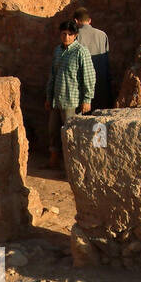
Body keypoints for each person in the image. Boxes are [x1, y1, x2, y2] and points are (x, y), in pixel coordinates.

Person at [45, 21, 95, 170]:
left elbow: (89, 77)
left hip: (72, 101)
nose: (66, 37)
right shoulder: (58, 51)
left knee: (71, 134)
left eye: (69, 34)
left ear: (75, 36)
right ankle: (54, 161)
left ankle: (72, 169)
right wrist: (48, 97)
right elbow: (52, 76)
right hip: (56, 100)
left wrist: (87, 99)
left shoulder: (81, 52)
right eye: (63, 33)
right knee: (53, 131)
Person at [73, 6, 112, 108]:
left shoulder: (75, 36)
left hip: (82, 87)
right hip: (101, 83)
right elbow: (107, 60)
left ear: (76, 21)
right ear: (89, 20)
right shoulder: (102, 35)